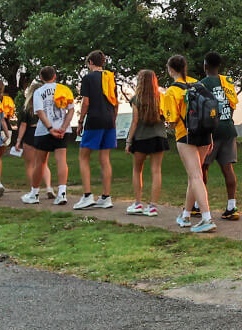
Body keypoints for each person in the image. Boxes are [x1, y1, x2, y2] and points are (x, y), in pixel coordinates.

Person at [162, 54, 215, 233]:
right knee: (194, 175)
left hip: (186, 136)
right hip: (205, 135)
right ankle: (185, 214)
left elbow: (171, 120)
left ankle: (206, 217)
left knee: (195, 176)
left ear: (170, 70)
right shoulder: (199, 84)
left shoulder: (171, 91)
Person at [197, 53, 241, 221]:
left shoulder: (201, 84)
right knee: (228, 168)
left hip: (211, 131)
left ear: (205, 66)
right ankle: (231, 206)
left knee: (202, 168)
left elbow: (200, 110)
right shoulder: (227, 83)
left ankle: (198, 206)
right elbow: (233, 104)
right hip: (228, 128)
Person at [74, 51, 119, 211]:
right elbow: (116, 102)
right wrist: (113, 118)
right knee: (105, 159)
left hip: (94, 118)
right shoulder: (110, 77)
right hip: (109, 119)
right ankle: (106, 197)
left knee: (83, 157)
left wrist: (80, 121)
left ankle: (87, 195)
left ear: (91, 62)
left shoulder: (88, 78)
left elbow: (86, 102)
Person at [124, 69, 167, 215]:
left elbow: (135, 122)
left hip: (141, 137)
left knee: (137, 170)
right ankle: (153, 206)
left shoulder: (136, 99)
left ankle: (138, 203)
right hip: (159, 137)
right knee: (156, 171)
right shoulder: (161, 98)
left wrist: (128, 141)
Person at [25, 67, 69, 205]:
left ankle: (34, 193)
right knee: (61, 160)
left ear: (41, 78)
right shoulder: (64, 90)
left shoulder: (39, 91)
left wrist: (50, 128)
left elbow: (39, 111)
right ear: (54, 76)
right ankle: (62, 193)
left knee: (40, 162)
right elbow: (71, 109)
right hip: (62, 128)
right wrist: (63, 126)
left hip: (44, 130)